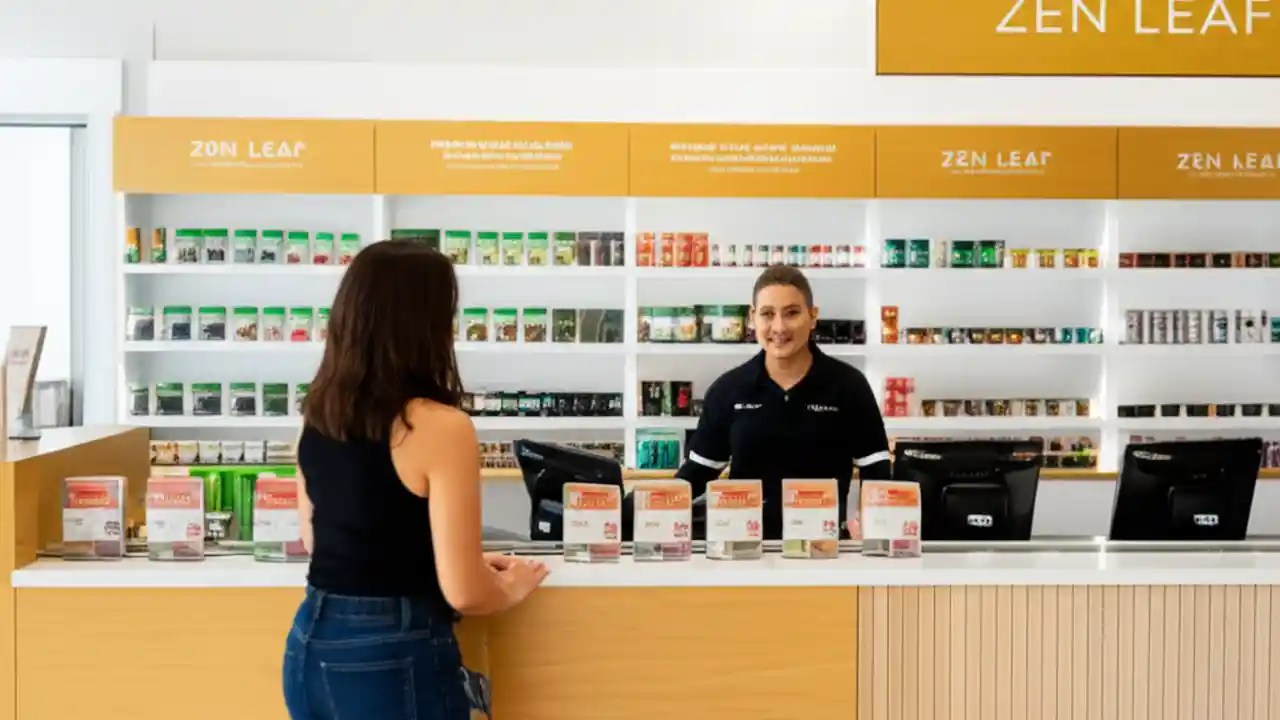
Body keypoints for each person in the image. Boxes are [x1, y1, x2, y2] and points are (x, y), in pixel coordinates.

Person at [282, 240, 549, 720]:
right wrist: (510, 588)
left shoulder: (319, 414)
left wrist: (457, 561)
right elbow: (465, 594)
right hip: (392, 650)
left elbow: (318, 538)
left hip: (311, 639)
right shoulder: (440, 426)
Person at [675, 265, 890, 538]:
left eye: (792, 313)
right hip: (744, 548)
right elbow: (696, 474)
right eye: (767, 314)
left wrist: (874, 523)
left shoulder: (849, 386)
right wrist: (642, 510)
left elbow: (877, 473)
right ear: (752, 318)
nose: (779, 327)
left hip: (823, 549)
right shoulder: (729, 389)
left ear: (813, 316)